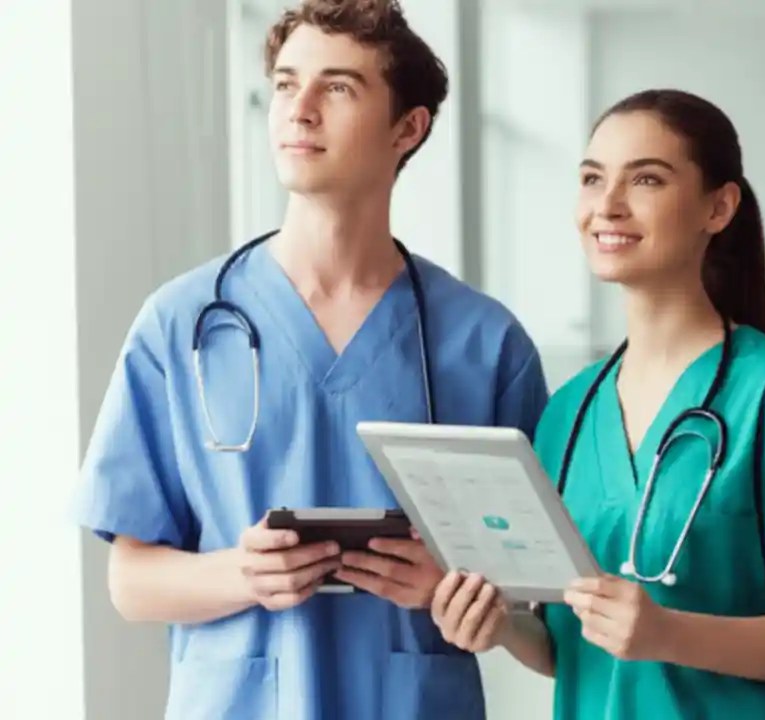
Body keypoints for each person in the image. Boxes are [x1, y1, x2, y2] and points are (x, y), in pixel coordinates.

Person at [73, 1, 547, 718]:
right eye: (287, 84)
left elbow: (540, 610)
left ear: (408, 128)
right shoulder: (183, 324)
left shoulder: (484, 344)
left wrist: (471, 605)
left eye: (338, 88)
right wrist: (243, 574)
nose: (300, 110)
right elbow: (130, 582)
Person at [430, 88, 765, 718]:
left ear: (718, 208)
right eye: (592, 179)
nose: (607, 206)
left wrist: (668, 633)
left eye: (645, 179)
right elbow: (570, 649)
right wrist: (501, 625)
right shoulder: (569, 412)